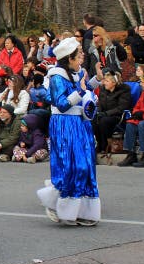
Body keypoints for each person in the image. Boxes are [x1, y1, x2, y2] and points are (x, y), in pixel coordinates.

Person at [37, 37, 101, 226]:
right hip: (64, 124)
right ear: (68, 58)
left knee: (86, 166)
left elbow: (83, 89)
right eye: (78, 54)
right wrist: (80, 92)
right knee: (72, 166)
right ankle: (59, 204)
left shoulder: (76, 73)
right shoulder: (57, 77)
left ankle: (81, 210)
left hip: (79, 123)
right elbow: (63, 104)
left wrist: (96, 80)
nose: (81, 56)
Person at [92, 70, 132, 155]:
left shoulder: (124, 90)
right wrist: (99, 112)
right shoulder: (103, 89)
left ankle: (106, 144)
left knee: (104, 121)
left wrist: (106, 113)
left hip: (118, 116)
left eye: (107, 81)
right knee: (94, 119)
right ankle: (99, 144)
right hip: (105, 114)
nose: (104, 83)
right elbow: (100, 103)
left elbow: (122, 107)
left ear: (114, 83)